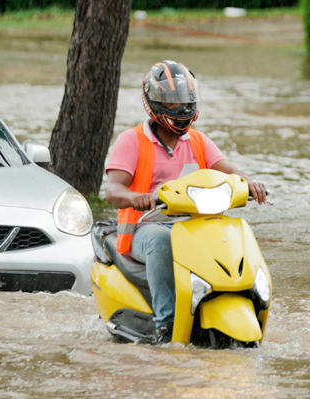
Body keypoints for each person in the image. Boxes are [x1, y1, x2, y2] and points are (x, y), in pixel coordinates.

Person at [104, 60, 267, 344]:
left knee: (234, 230)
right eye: (171, 101)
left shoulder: (198, 141)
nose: (180, 108)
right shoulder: (131, 141)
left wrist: (247, 182)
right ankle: (165, 324)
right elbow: (113, 190)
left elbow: (227, 168)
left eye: (184, 101)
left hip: (194, 226)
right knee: (161, 240)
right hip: (146, 228)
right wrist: (136, 198)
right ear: (153, 103)